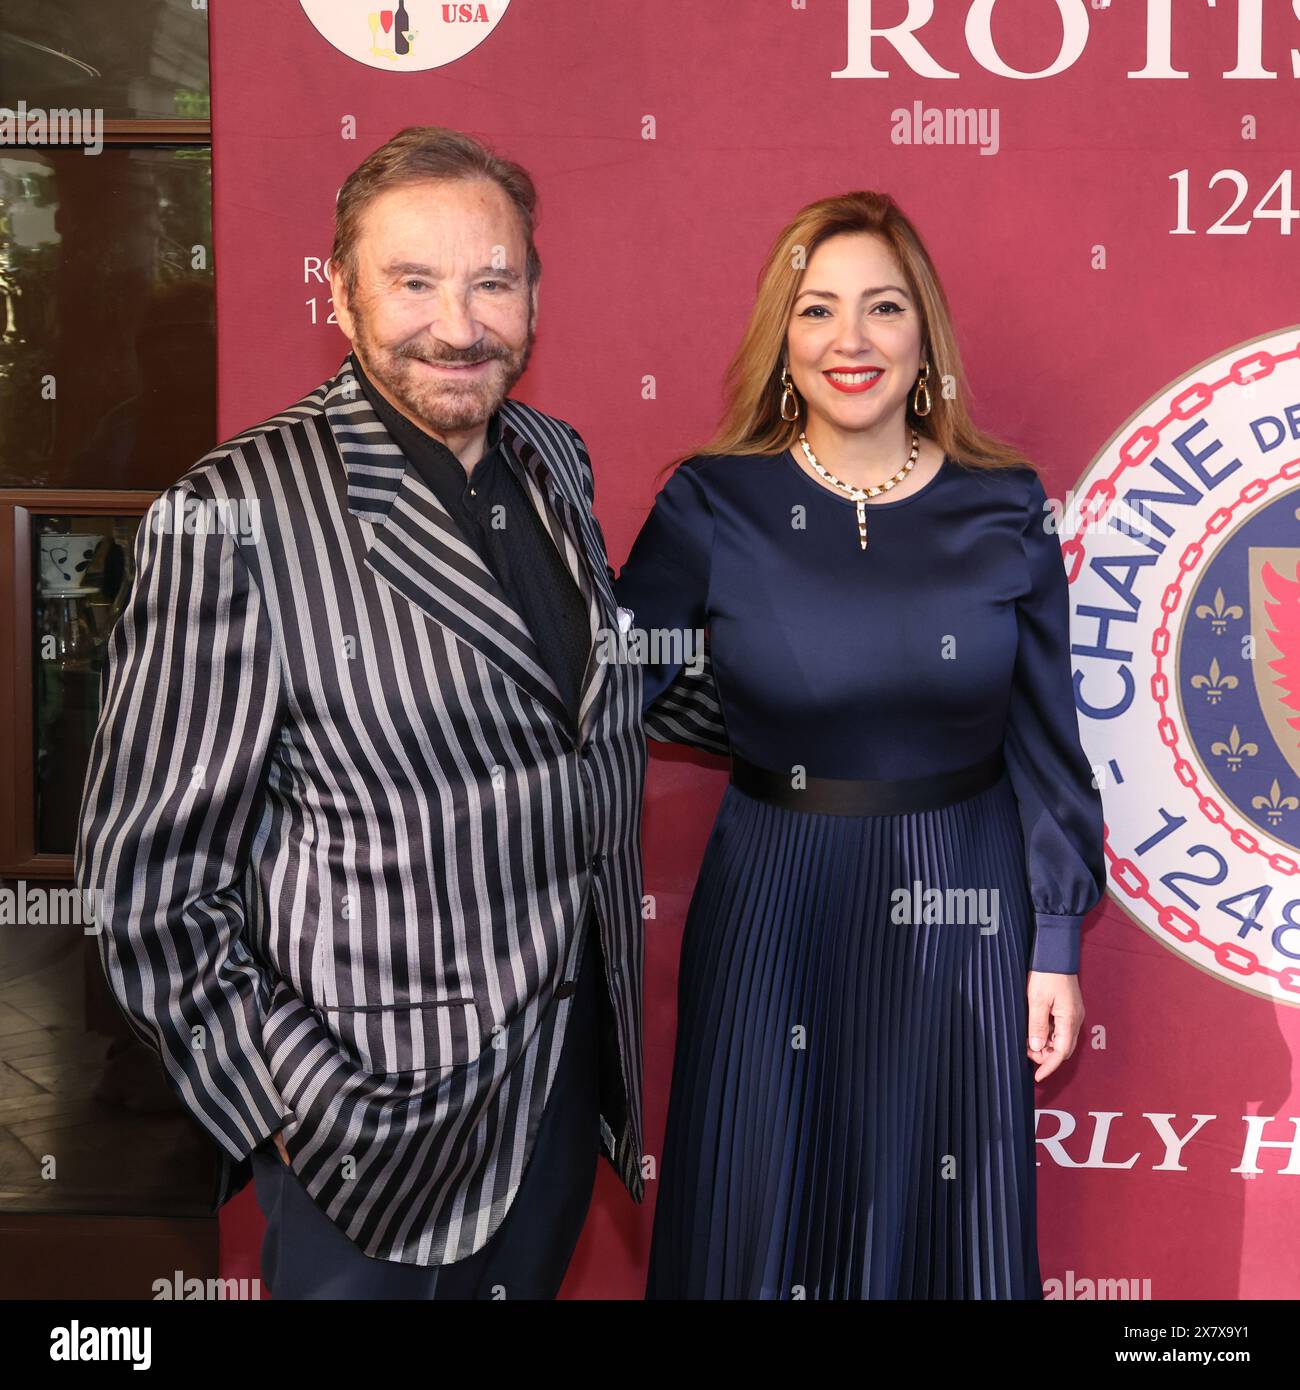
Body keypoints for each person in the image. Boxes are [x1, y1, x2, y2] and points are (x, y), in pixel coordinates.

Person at [75, 125, 646, 1299]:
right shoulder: (231, 511)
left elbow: (572, 715)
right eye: (414, 281)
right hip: (370, 1134)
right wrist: (293, 1109)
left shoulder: (553, 461)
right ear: (339, 294)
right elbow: (146, 882)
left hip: (557, 1090)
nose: (459, 324)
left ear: (533, 291)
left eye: (492, 280)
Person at [614, 190, 1107, 1299]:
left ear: (922, 333)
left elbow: (1043, 739)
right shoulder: (713, 501)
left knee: (944, 1225)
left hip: (965, 909)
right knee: (755, 1201)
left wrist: (1058, 937)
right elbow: (610, 680)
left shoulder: (1004, 506)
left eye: (881, 308)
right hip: (774, 905)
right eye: (817, 310)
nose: (850, 340)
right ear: (780, 342)